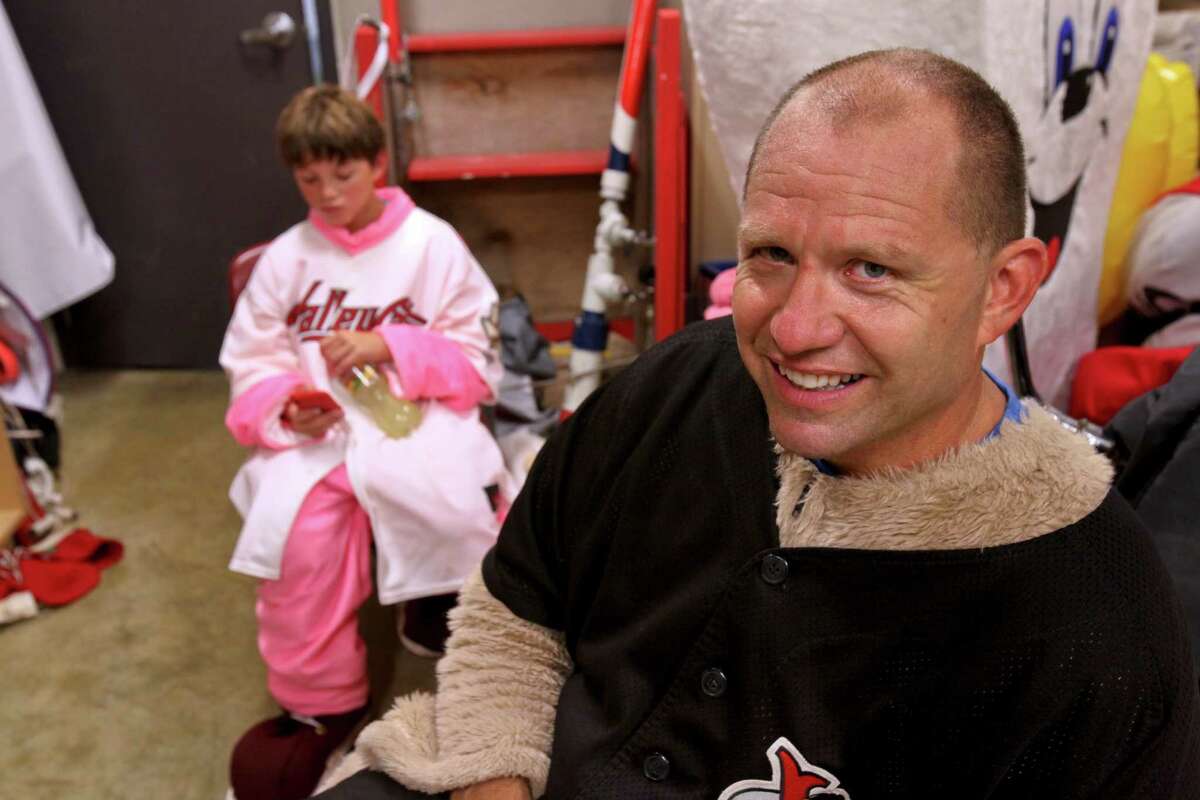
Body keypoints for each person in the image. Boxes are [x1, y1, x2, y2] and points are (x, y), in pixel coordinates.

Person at [318, 49, 1200, 799]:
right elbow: (517, 608)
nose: (793, 327)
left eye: (871, 270)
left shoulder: (1098, 634)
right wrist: (490, 779)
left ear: (1004, 288)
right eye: (771, 254)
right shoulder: (680, 381)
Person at [220, 85, 508, 800]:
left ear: (376, 162)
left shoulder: (433, 243)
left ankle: (456, 629)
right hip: (322, 439)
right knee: (296, 540)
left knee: (458, 509)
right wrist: (289, 406)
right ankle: (322, 702)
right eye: (309, 179)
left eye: (342, 175)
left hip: (420, 417)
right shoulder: (284, 260)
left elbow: (477, 359)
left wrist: (390, 343)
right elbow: (252, 362)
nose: (327, 193)